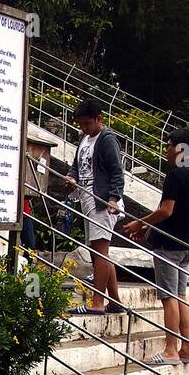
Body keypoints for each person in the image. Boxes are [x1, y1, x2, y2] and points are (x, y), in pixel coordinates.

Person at [123, 127, 189, 365]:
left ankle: (171, 349)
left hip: (169, 245)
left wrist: (140, 223)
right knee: (180, 295)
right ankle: (186, 348)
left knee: (168, 297)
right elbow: (177, 213)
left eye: (168, 145)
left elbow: (167, 210)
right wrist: (149, 229)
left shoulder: (174, 176)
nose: (166, 150)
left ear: (179, 148)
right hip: (187, 242)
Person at [65, 98, 125, 314]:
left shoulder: (107, 139)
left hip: (101, 200)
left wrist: (113, 198)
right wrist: (72, 177)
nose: (83, 128)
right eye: (80, 124)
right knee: (99, 251)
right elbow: (76, 165)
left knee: (99, 251)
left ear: (99, 118)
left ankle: (97, 302)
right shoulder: (85, 139)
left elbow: (117, 172)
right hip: (87, 196)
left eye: (87, 124)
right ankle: (115, 301)